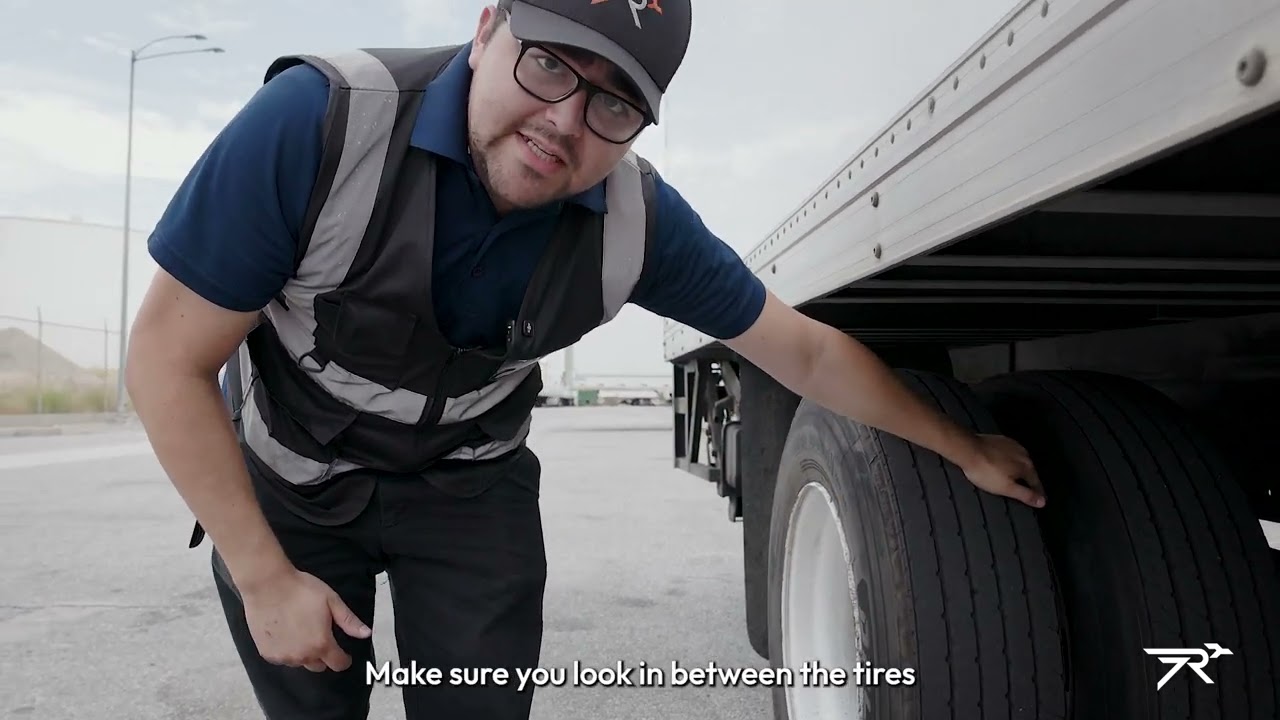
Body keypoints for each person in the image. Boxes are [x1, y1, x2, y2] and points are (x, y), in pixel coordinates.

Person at [125, 1, 1045, 718]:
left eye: (613, 101)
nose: (566, 120)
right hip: (294, 483)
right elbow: (167, 360)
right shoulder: (322, 124)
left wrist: (960, 444)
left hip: (467, 491)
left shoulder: (640, 221)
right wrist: (263, 575)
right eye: (550, 62)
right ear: (488, 29)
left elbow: (800, 349)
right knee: (312, 700)